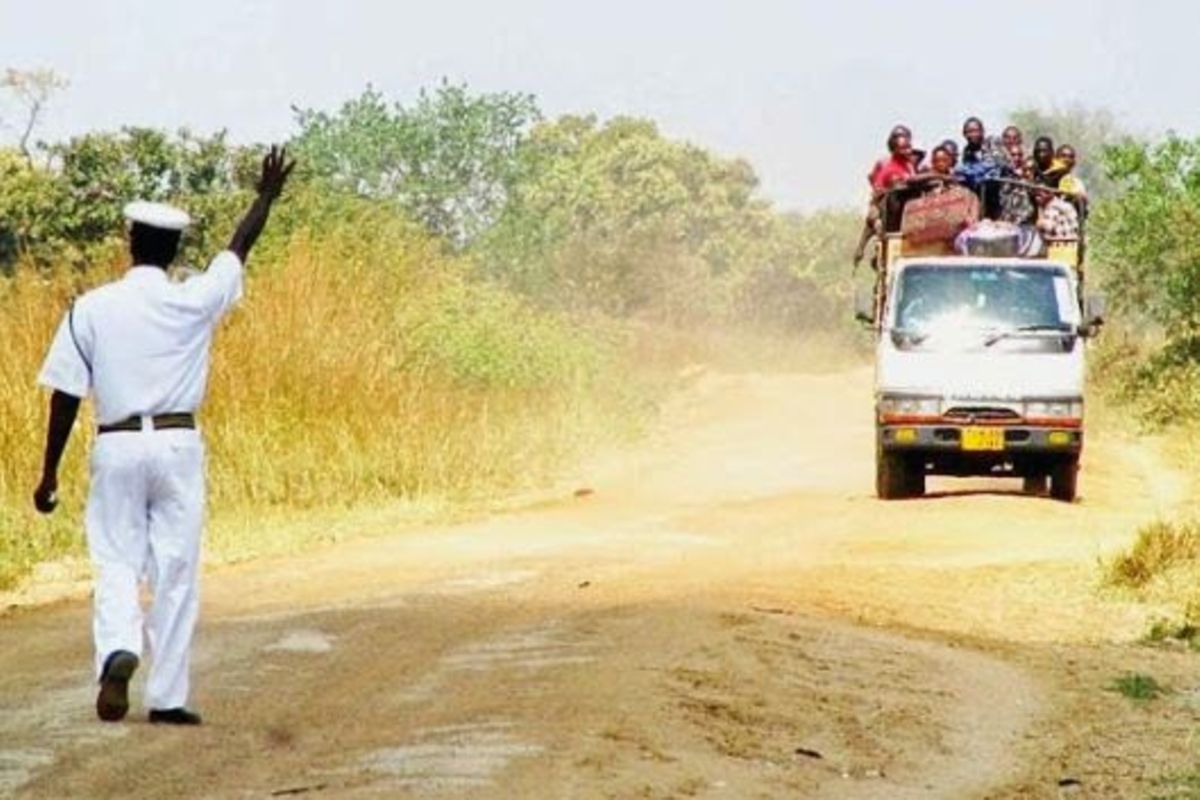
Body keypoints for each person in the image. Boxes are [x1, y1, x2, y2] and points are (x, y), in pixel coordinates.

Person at [33, 146, 296, 725]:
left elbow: (66, 394)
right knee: (177, 569)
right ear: (176, 249)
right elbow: (237, 250)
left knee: (115, 559)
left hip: (117, 443)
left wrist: (49, 471)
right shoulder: (193, 300)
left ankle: (118, 648)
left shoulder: (92, 308)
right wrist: (265, 196)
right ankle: (169, 697)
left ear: (130, 242)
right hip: (178, 444)